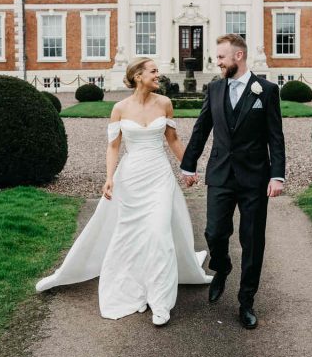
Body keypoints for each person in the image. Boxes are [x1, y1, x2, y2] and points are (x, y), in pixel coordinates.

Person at [35, 57, 212, 326]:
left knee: (158, 232)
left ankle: (161, 302)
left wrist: (188, 169)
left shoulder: (165, 103)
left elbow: (173, 140)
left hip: (159, 177)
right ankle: (129, 284)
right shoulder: (119, 108)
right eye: (154, 71)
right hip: (130, 178)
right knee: (129, 234)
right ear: (138, 76)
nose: (158, 75)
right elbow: (113, 146)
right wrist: (109, 178)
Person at [180, 34, 286, 330]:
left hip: (255, 178)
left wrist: (277, 175)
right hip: (221, 175)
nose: (218, 62)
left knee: (252, 241)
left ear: (238, 56)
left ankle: (246, 301)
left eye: (222, 57)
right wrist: (189, 165)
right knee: (214, 232)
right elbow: (201, 129)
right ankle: (222, 266)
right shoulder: (214, 89)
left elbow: (275, 137)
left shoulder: (265, 90)